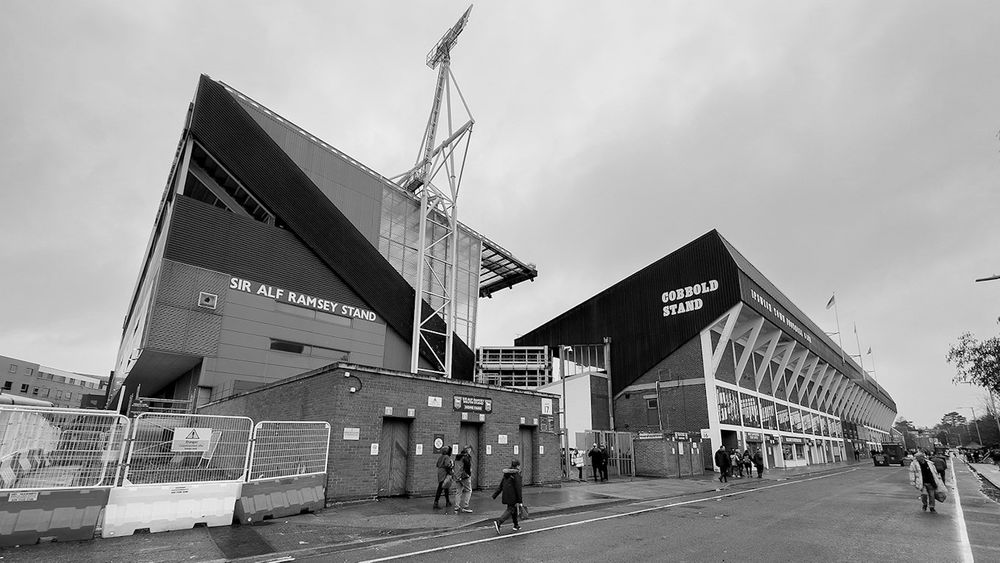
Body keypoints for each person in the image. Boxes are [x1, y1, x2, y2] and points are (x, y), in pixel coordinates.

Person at [492, 459, 524, 534]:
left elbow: (501, 485)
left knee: (514, 510)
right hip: (513, 496)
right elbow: (518, 488)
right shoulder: (517, 474)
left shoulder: (507, 474)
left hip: (506, 495)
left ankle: (516, 525)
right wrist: (520, 501)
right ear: (518, 466)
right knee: (511, 509)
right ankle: (499, 522)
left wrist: (495, 495)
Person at [453, 445, 474, 513]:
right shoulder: (466, 457)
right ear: (468, 450)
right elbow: (467, 467)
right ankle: (466, 506)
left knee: (458, 492)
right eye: (470, 449)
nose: (470, 451)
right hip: (464, 476)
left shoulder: (458, 457)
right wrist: (468, 474)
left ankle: (456, 507)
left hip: (457, 476)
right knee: (469, 490)